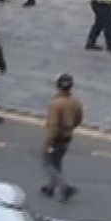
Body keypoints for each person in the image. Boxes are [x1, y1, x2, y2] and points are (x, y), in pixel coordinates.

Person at [41, 73, 83, 201]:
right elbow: (79, 118)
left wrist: (48, 143)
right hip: (67, 138)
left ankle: (65, 187)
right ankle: (50, 188)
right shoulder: (75, 101)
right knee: (57, 162)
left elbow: (53, 126)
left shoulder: (56, 103)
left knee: (48, 164)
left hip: (56, 139)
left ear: (57, 86)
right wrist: (70, 128)